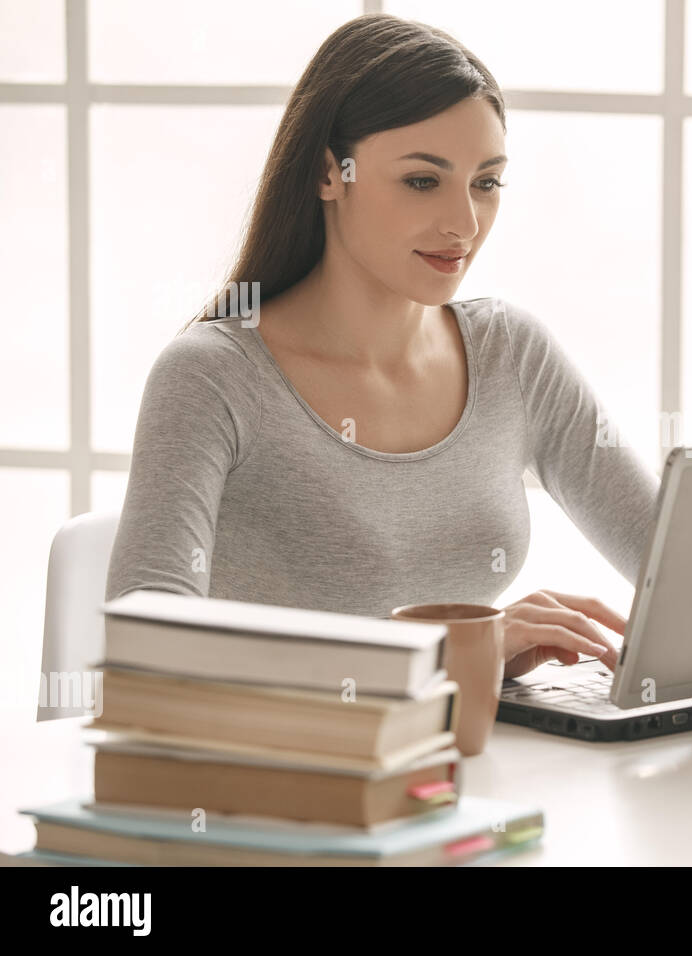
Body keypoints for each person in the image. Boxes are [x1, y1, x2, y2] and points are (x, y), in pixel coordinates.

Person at [105, 13, 660, 680]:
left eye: (486, 182)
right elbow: (144, 654)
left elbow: (681, 568)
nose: (464, 223)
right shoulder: (212, 377)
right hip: (286, 775)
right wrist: (455, 653)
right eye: (423, 181)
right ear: (325, 174)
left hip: (457, 767)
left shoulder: (512, 353)